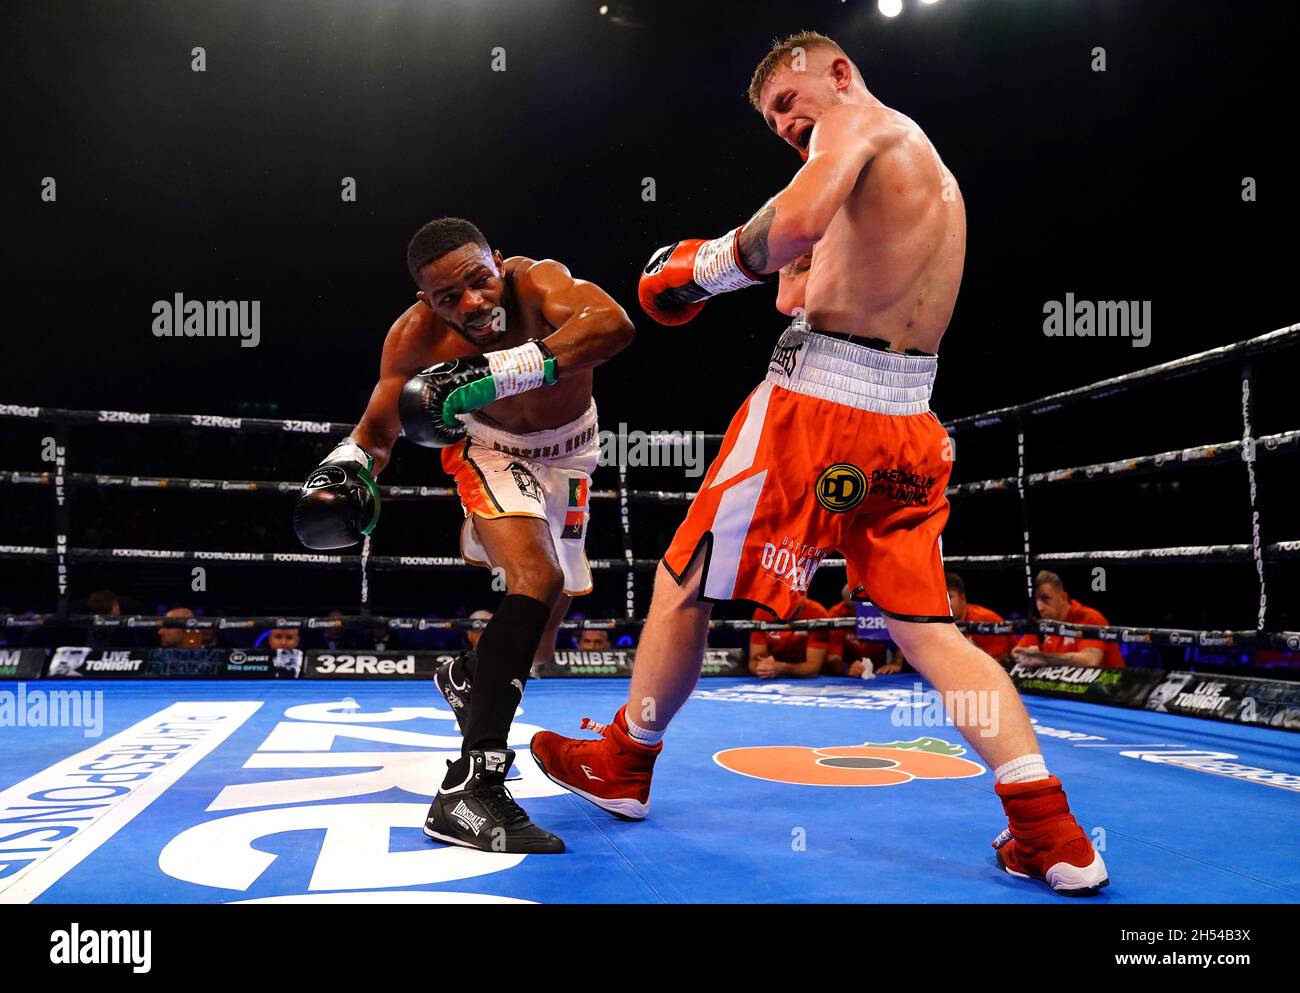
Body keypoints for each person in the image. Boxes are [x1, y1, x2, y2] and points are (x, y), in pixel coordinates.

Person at [531, 32, 1107, 894]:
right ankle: (1048, 826)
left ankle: (624, 758)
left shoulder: (856, 124)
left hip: (817, 405)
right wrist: (757, 267)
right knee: (927, 627)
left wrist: (700, 268)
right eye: (773, 120)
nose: (788, 124)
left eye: (789, 102)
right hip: (909, 422)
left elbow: (790, 227)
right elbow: (808, 273)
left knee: (684, 575)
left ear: (836, 72)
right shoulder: (925, 174)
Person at [292, 217, 633, 854]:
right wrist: (341, 473)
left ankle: (471, 675)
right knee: (538, 578)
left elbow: (614, 327)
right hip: (491, 448)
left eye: (480, 283)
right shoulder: (414, 338)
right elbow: (376, 434)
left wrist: (492, 372)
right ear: (427, 301)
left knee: (540, 637)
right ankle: (471, 788)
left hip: (575, 452)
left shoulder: (539, 283)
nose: (473, 305)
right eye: (449, 298)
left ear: (497, 262)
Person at [1013, 570, 1124, 668]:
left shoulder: (1089, 617)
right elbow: (1016, 651)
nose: (1040, 607)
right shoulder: (1040, 622)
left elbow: (1090, 660)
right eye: (1036, 600)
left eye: (1045, 598)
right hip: (1067, 688)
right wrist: (1027, 655)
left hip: (1109, 688)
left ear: (1063, 597)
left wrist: (1043, 657)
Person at [748, 595, 829, 678]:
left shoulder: (817, 613)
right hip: (771, 679)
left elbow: (813, 667)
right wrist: (763, 669)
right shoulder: (763, 611)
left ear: (803, 595)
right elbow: (754, 661)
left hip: (808, 680)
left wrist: (781, 667)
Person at [824, 583, 896, 677]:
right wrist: (848, 669)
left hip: (882, 671)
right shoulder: (836, 614)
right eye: (848, 606)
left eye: (855, 606)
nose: (850, 610)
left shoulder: (886, 609)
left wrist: (897, 663)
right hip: (850, 675)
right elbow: (833, 658)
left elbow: (906, 637)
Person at [946, 572, 1013, 663]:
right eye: (941, 599)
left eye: (949, 597)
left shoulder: (984, 619)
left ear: (962, 598)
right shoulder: (937, 625)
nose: (945, 603)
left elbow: (1000, 659)